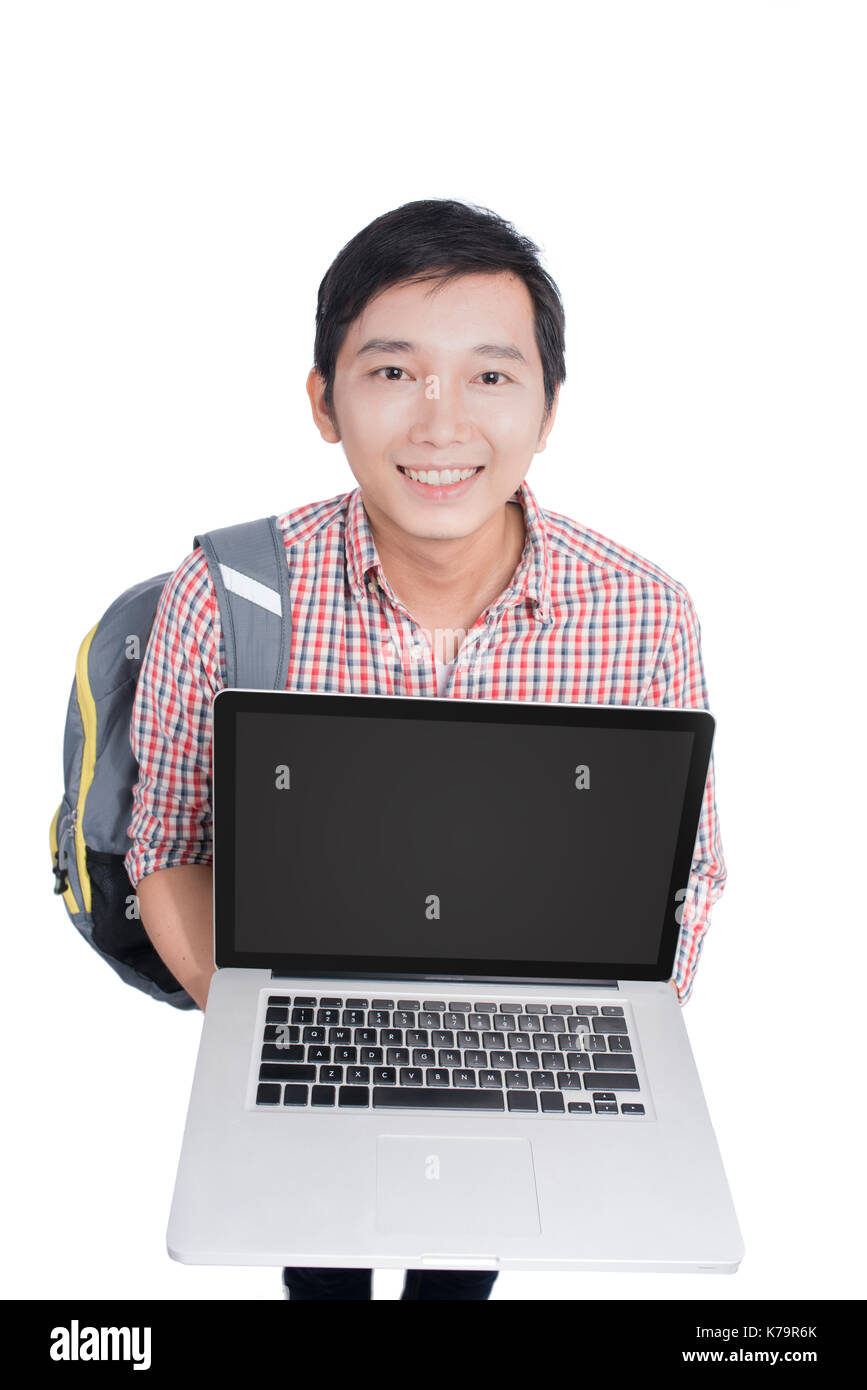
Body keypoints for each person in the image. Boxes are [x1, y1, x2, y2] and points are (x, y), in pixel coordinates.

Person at [126, 198, 726, 1300]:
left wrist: (586, 1039)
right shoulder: (227, 595)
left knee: (464, 1267)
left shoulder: (643, 612)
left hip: (527, 1019)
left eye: (491, 375)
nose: (442, 424)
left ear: (548, 409)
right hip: (306, 1013)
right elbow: (161, 840)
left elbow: (686, 879)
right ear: (324, 401)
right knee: (323, 1272)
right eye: (395, 371)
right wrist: (259, 1023)